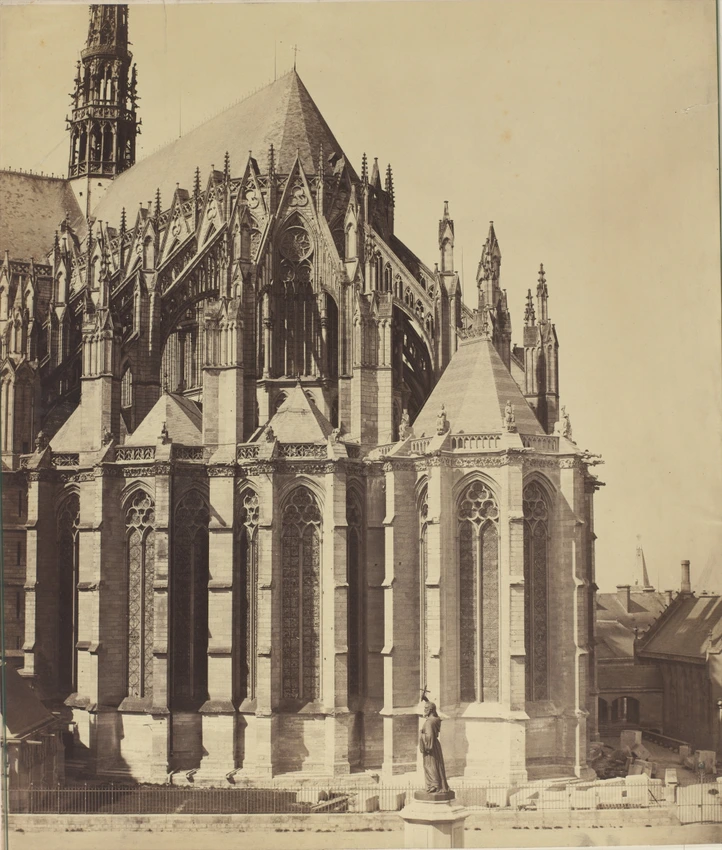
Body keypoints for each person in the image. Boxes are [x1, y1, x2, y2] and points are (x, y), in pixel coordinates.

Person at [419, 700, 450, 793]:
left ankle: (434, 785)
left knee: (430, 765)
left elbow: (429, 737)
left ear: (431, 710)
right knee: (436, 765)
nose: (424, 710)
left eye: (426, 708)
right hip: (435, 746)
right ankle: (438, 784)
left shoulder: (429, 722)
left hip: (430, 748)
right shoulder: (436, 719)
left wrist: (421, 734)